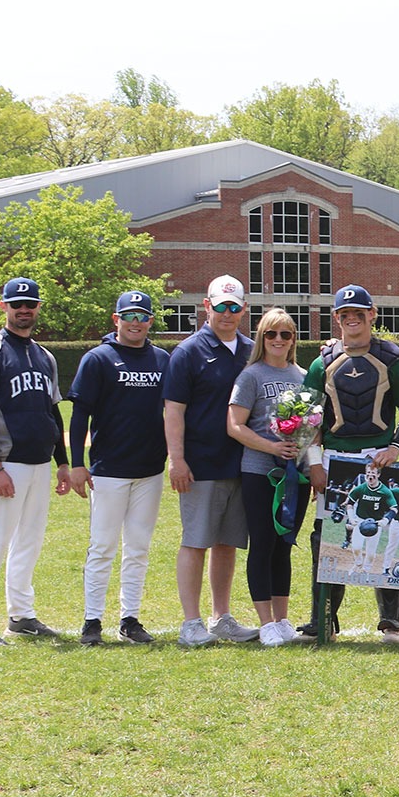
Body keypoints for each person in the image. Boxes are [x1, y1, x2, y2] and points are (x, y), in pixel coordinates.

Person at [302, 283, 399, 643]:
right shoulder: (322, 363)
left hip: (378, 459)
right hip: (335, 461)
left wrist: (395, 448)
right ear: (336, 318)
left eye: (358, 313)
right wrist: (315, 465)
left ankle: (392, 623)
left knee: (387, 539)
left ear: (372, 314)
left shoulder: (392, 359)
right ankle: (323, 620)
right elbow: (308, 422)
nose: (352, 319)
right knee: (330, 541)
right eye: (345, 314)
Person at [163, 275, 262, 647]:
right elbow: (174, 411)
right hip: (200, 465)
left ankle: (221, 617)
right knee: (195, 542)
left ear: (243, 310)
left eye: (234, 307)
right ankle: (191, 622)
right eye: (221, 306)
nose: (227, 313)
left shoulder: (251, 350)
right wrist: (177, 459)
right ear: (207, 306)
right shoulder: (188, 352)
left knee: (227, 543)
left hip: (243, 464)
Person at [68, 290, 171, 645]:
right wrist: (77, 464)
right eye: (129, 316)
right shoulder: (98, 359)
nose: (135, 322)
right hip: (108, 470)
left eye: (142, 316)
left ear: (150, 321)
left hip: (150, 470)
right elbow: (79, 414)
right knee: (102, 547)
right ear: (116, 319)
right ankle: (92, 621)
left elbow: (173, 411)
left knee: (138, 548)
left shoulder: (161, 359)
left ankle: (130, 619)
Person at [0, 278, 72, 646]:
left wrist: (62, 463)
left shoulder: (44, 356)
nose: (24, 309)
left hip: (38, 464)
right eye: (16, 303)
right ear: (3, 306)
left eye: (30, 303)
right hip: (7, 464)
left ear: (38, 307)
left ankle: (21, 616)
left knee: (29, 542)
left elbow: (53, 411)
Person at [226, 309, 308, 646]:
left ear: (293, 339)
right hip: (260, 473)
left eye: (285, 334)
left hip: (296, 475)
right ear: (262, 338)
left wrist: (305, 449)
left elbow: (314, 427)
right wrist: (272, 447)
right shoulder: (251, 376)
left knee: (284, 545)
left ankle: (282, 619)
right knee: (262, 543)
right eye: (271, 334)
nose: (278, 340)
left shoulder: (304, 376)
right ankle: (265, 623)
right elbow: (234, 426)